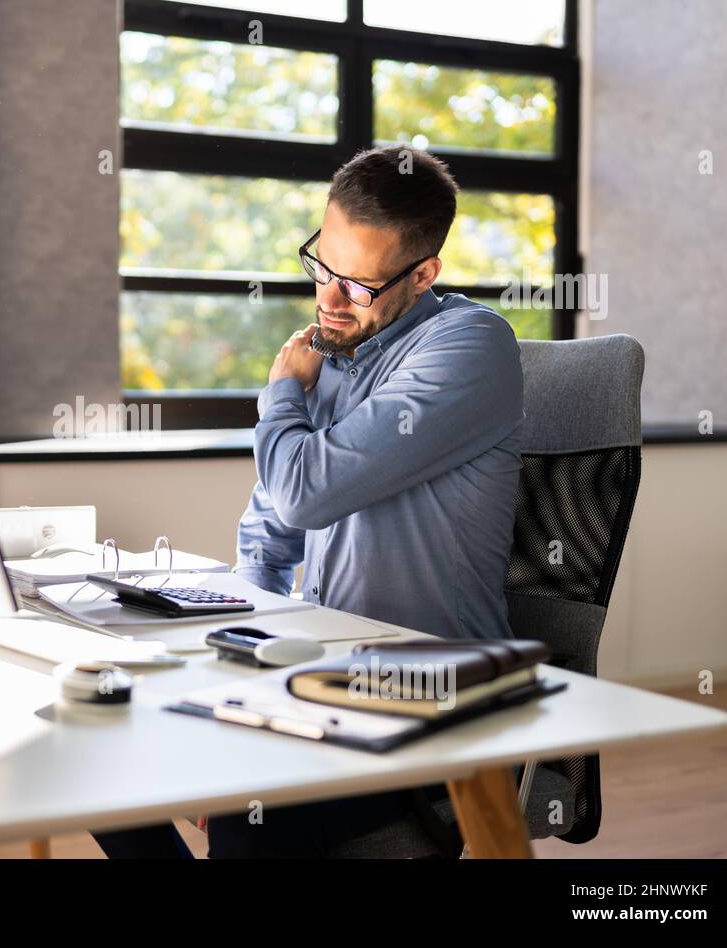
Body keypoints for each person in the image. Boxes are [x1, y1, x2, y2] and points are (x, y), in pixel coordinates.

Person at [93, 145, 524, 858]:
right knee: (99, 743)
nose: (328, 298)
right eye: (323, 266)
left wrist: (282, 389)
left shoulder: (470, 347)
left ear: (423, 275)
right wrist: (232, 655)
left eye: (357, 285)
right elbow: (267, 534)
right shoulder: (336, 351)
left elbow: (302, 494)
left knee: (247, 815)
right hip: (311, 678)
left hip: (423, 699)